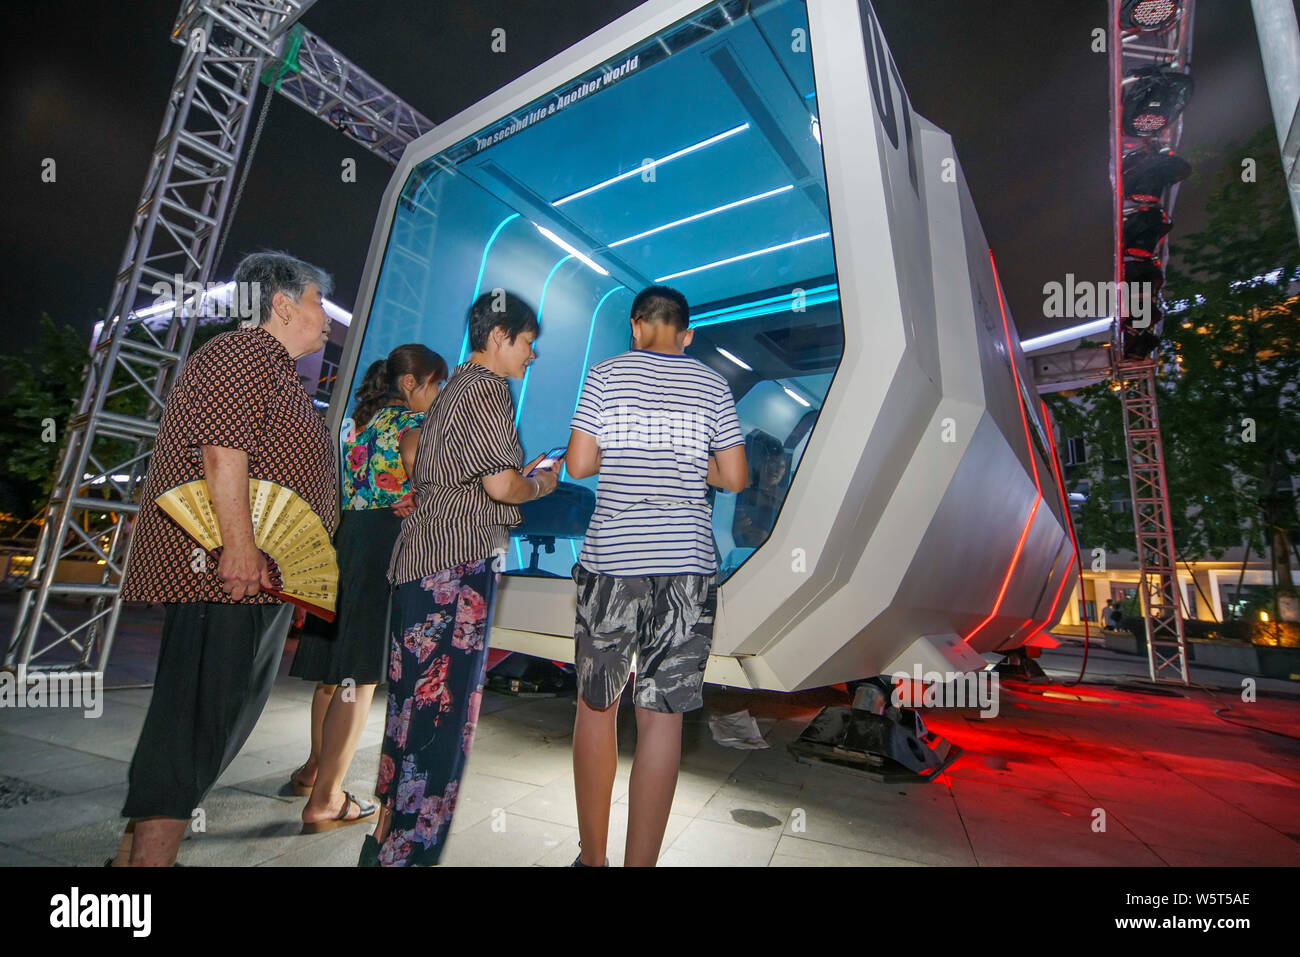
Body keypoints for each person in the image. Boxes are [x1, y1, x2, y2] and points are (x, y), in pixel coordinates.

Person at [111, 251, 339, 866]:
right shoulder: (243, 353)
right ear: (283, 304)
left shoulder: (271, 367)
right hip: (225, 578)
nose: (326, 319)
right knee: (195, 725)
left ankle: (133, 854)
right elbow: (222, 452)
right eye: (319, 302)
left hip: (247, 579)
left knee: (203, 719)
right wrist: (238, 550)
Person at [361, 290, 559, 867]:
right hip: (456, 570)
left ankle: (383, 843)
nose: (531, 355)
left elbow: (411, 450)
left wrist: (453, 487)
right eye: (527, 343)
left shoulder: (447, 396)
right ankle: (409, 857)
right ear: (499, 338)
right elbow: (502, 487)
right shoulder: (491, 391)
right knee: (440, 723)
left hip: (418, 566)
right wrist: (540, 481)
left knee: (408, 711)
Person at [565, 284, 748, 867]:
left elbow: (579, 463)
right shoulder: (712, 384)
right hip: (687, 568)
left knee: (597, 707)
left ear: (636, 326)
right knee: (663, 718)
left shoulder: (607, 375)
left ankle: (592, 860)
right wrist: (694, 466)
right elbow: (736, 476)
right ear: (686, 335)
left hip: (615, 562)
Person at [288, 344, 447, 832]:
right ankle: (326, 799)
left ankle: (313, 769)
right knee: (361, 675)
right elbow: (431, 483)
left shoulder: (359, 426)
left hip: (346, 542)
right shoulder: (408, 427)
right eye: (434, 385)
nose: (437, 396)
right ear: (411, 384)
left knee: (335, 673)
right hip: (381, 546)